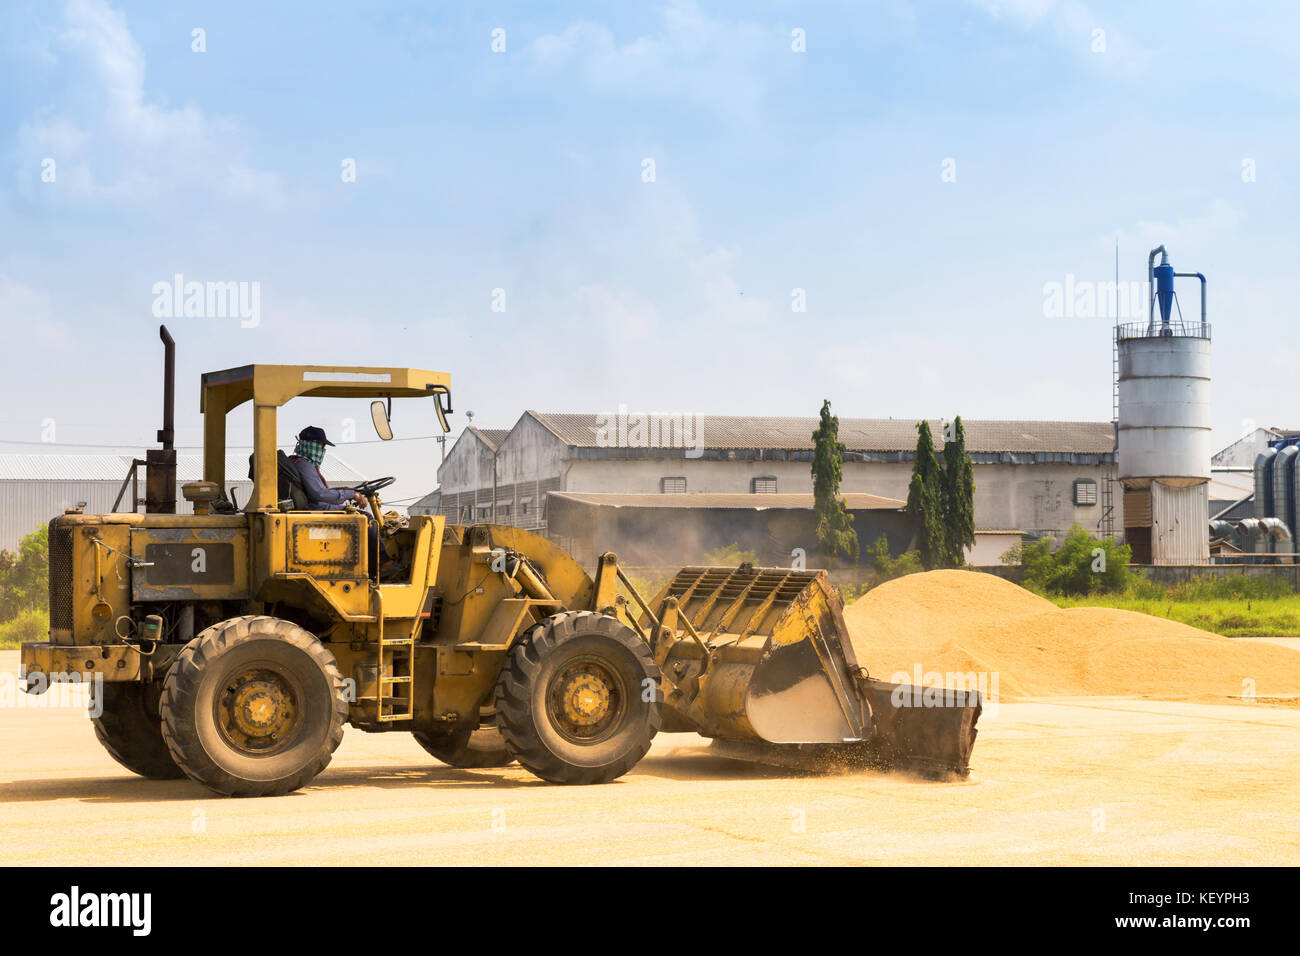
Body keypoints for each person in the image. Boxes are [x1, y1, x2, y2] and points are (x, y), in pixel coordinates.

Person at [289, 426, 387, 576]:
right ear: (312, 444)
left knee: (362, 517)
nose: (322, 451)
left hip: (316, 507)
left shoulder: (301, 463)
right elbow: (320, 493)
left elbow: (321, 491)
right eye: (321, 446)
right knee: (367, 520)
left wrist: (349, 491)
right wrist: (351, 494)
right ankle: (381, 565)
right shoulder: (305, 465)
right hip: (317, 511)